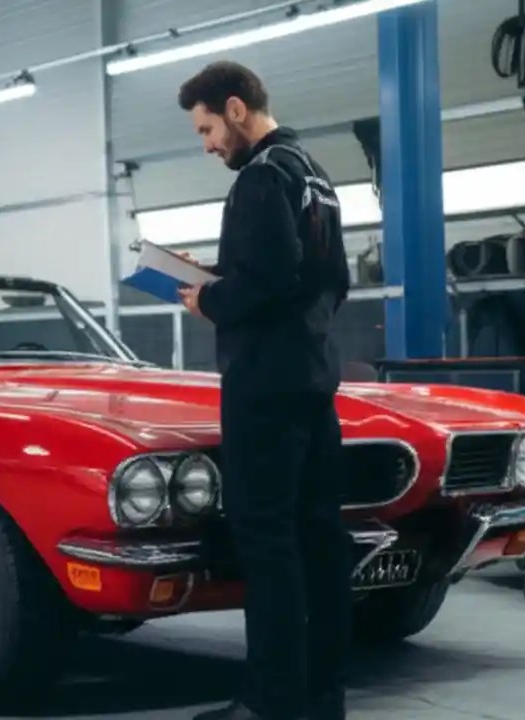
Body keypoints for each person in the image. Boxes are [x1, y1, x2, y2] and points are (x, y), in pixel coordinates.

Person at [175, 61, 353, 720]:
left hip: (262, 388)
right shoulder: (313, 173)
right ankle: (322, 698)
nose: (208, 145)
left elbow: (271, 282)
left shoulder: (258, 178)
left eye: (207, 129)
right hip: (313, 381)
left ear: (236, 108)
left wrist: (210, 297)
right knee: (319, 540)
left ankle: (271, 702)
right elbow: (326, 279)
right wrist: (222, 274)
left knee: (267, 544)